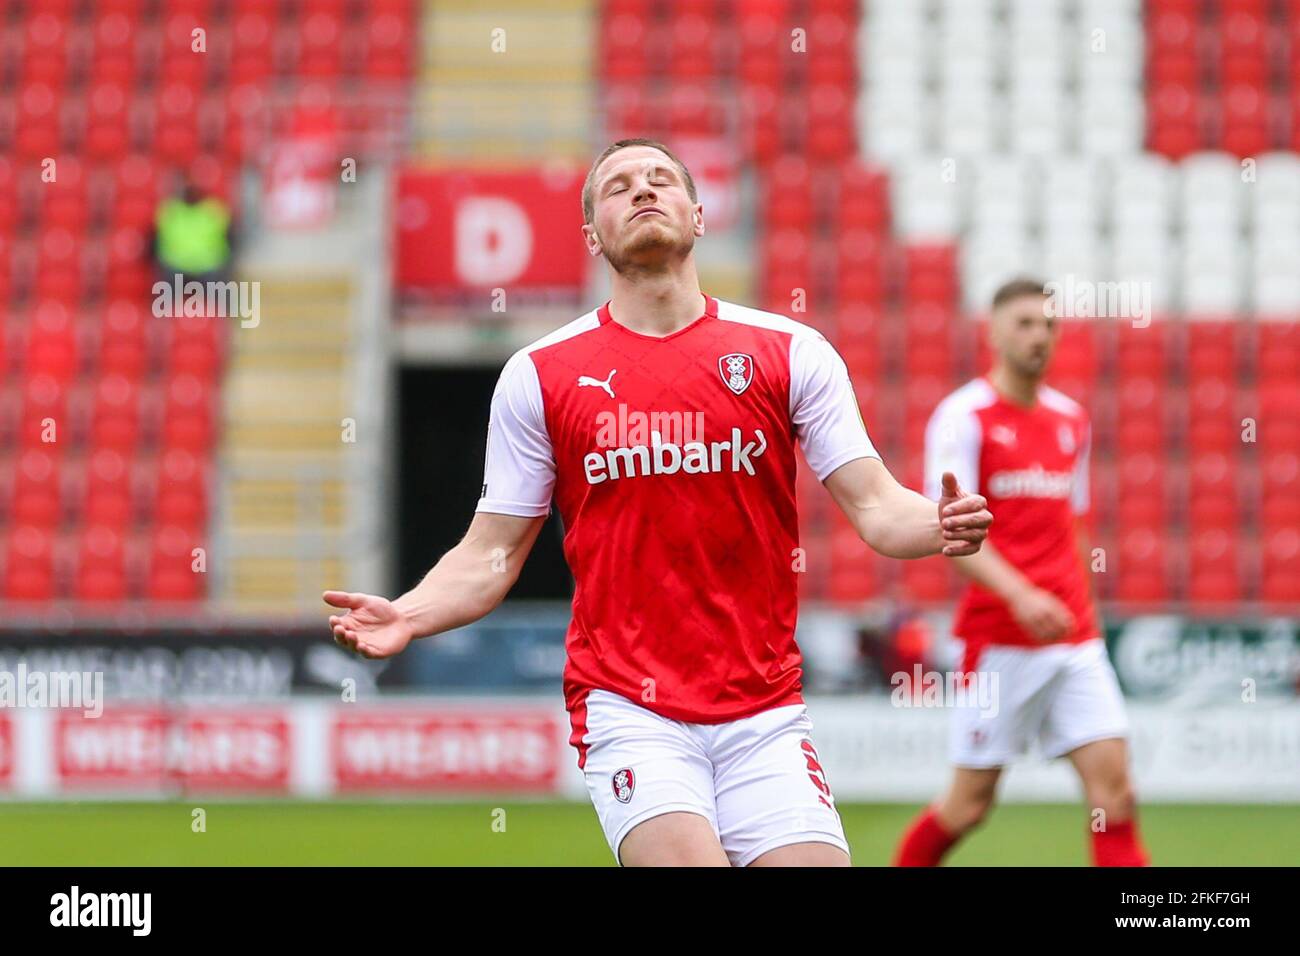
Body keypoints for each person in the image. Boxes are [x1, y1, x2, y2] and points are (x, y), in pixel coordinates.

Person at [325, 139, 993, 867]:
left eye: (660, 180)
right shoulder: (538, 376)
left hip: (764, 709)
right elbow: (492, 552)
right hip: (629, 704)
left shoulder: (791, 351)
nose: (642, 191)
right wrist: (411, 613)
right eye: (617, 187)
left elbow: (876, 508)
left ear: (699, 215)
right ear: (591, 234)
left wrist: (937, 522)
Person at [893, 277, 1149, 867]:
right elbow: (953, 531)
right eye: (1025, 323)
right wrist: (1023, 595)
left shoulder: (1070, 421)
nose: (1039, 336)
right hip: (1000, 639)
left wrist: (1092, 620)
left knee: (1116, 794)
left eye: (1049, 325)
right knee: (968, 806)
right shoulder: (964, 417)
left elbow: (1074, 525)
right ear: (994, 333)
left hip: (1074, 637)